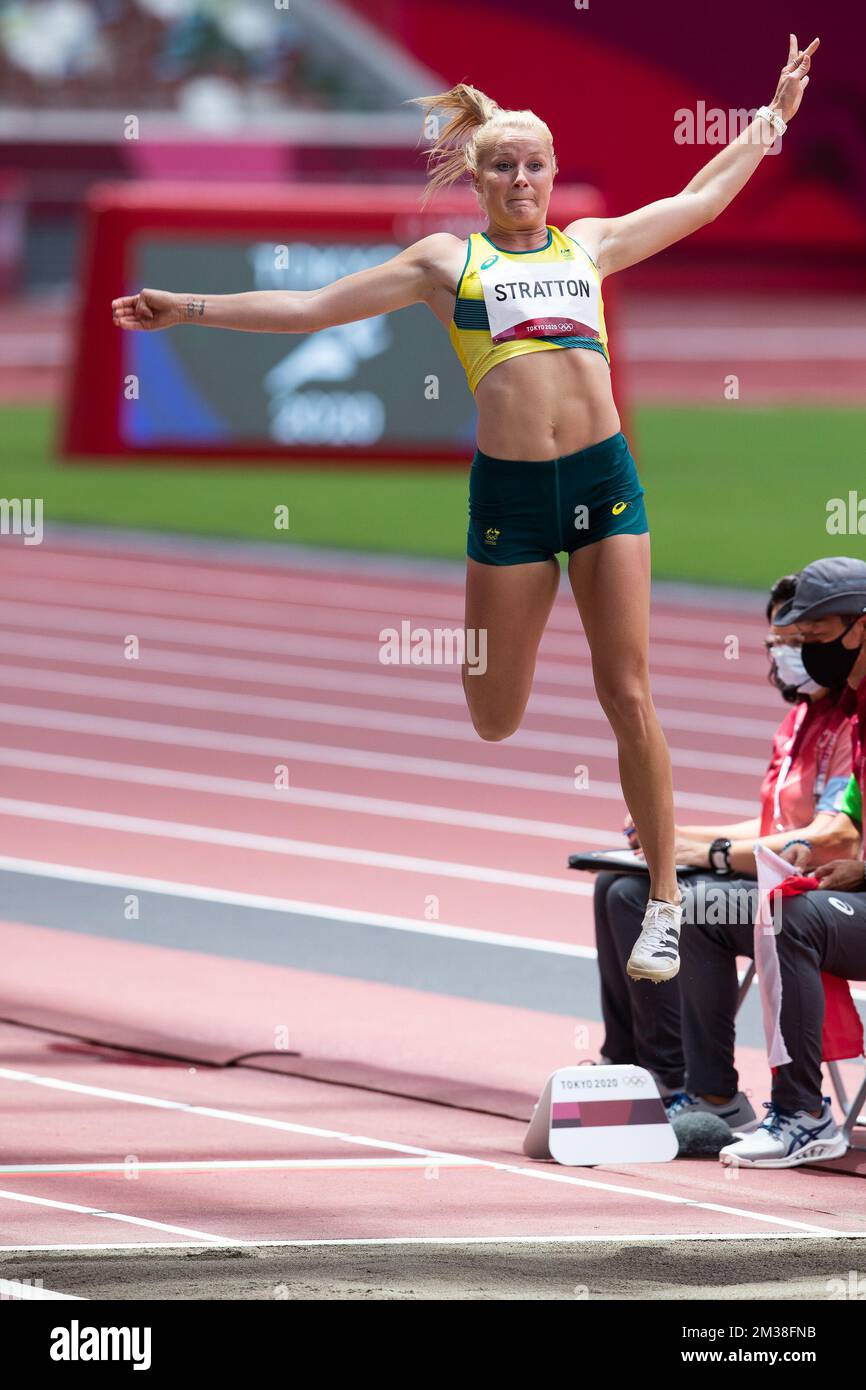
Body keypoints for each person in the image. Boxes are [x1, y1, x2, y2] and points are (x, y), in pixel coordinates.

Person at [112, 37, 819, 980]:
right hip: (513, 502)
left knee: (630, 692)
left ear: (554, 172)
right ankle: (525, 695)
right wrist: (187, 309)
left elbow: (696, 200)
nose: (521, 178)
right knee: (494, 714)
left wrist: (770, 119)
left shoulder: (591, 245)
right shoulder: (448, 263)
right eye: (503, 165)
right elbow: (313, 309)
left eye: (535, 164)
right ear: (480, 179)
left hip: (607, 485)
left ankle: (661, 899)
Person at [594, 572, 856, 1123]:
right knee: (616, 886)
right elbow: (774, 822)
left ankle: (690, 1087)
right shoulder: (801, 722)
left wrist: (703, 850)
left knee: (682, 905)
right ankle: (635, 1067)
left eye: (802, 638)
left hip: (810, 892)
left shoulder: (849, 725)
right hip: (778, 882)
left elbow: (833, 835)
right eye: (779, 642)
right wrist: (677, 840)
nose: (788, 653)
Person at [716, 556, 866, 1167]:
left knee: (790, 914)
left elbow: (840, 831)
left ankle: (804, 1116)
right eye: (794, 638)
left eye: (815, 635)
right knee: (704, 907)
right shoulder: (854, 714)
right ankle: (702, 1094)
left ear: (861, 627)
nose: (803, 651)